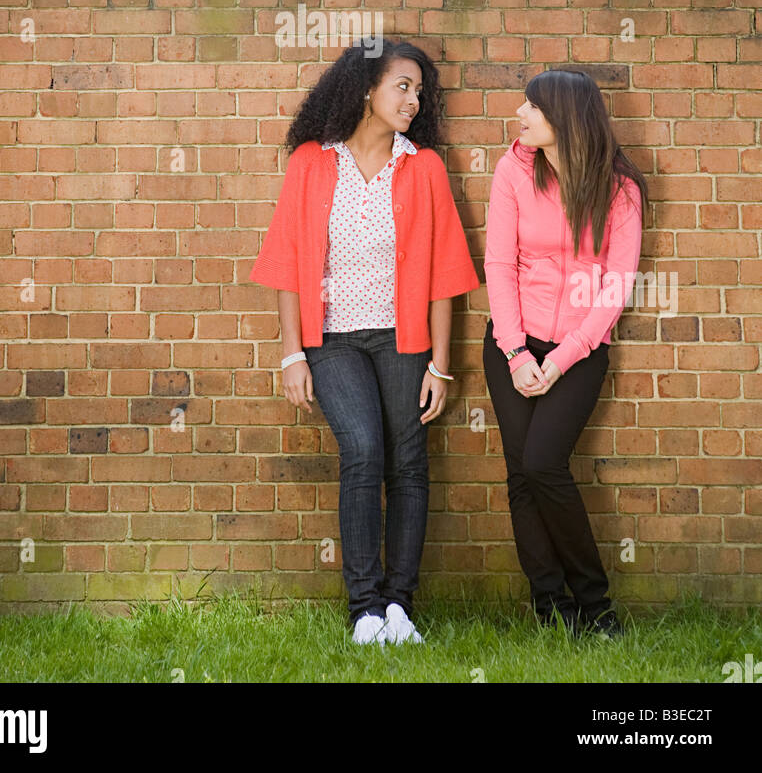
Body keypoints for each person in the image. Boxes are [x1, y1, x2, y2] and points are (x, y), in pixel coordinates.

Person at [250, 39, 478, 645]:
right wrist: (292, 352)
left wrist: (441, 364)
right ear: (366, 90)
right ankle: (364, 610)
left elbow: (444, 274)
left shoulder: (423, 167)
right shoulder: (312, 162)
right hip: (333, 341)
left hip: (403, 338)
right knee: (363, 448)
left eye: (419, 91)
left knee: (408, 460)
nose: (413, 98)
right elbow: (286, 263)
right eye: (402, 85)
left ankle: (399, 607)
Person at [482, 67, 648, 638]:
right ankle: (552, 609)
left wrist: (562, 357)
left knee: (543, 463)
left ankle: (597, 609)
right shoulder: (512, 171)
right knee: (520, 474)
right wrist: (516, 353)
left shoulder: (619, 189)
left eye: (532, 106)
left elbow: (615, 286)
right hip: (512, 341)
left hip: (580, 351)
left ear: (565, 119)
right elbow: (499, 266)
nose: (520, 114)